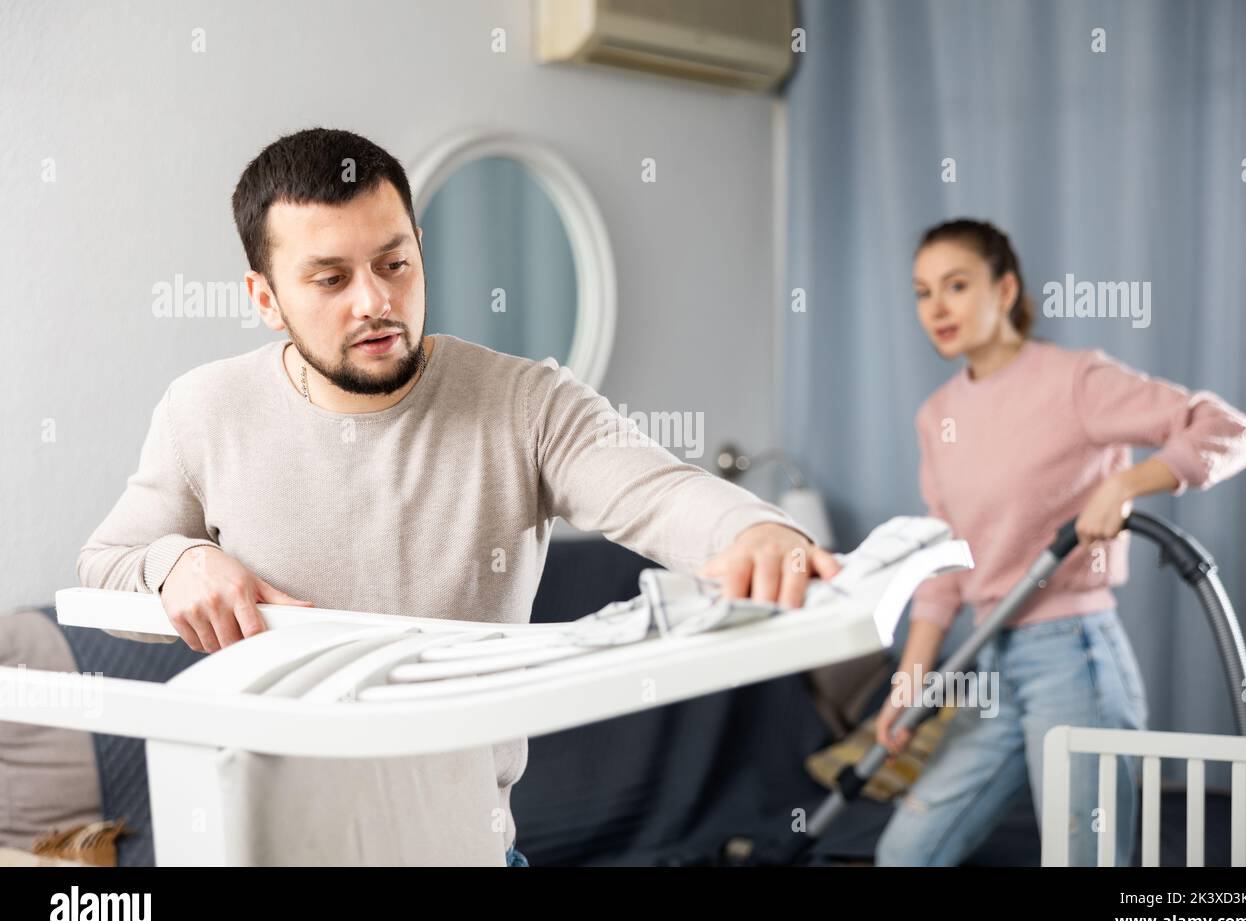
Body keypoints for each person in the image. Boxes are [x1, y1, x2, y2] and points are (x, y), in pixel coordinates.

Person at [77, 128, 842, 867]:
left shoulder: (527, 402)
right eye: (330, 279)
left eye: (394, 263)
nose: (374, 301)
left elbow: (663, 493)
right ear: (266, 297)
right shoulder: (203, 409)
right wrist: (179, 563)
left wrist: (757, 530)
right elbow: (106, 565)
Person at [873, 218, 1246, 866]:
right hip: (987, 656)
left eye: (956, 285)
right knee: (905, 853)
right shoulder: (936, 415)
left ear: (1004, 290)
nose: (936, 307)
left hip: (1073, 660)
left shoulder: (1074, 381)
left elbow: (1232, 429)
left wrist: (1132, 480)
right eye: (922, 292)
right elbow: (945, 557)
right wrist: (911, 678)